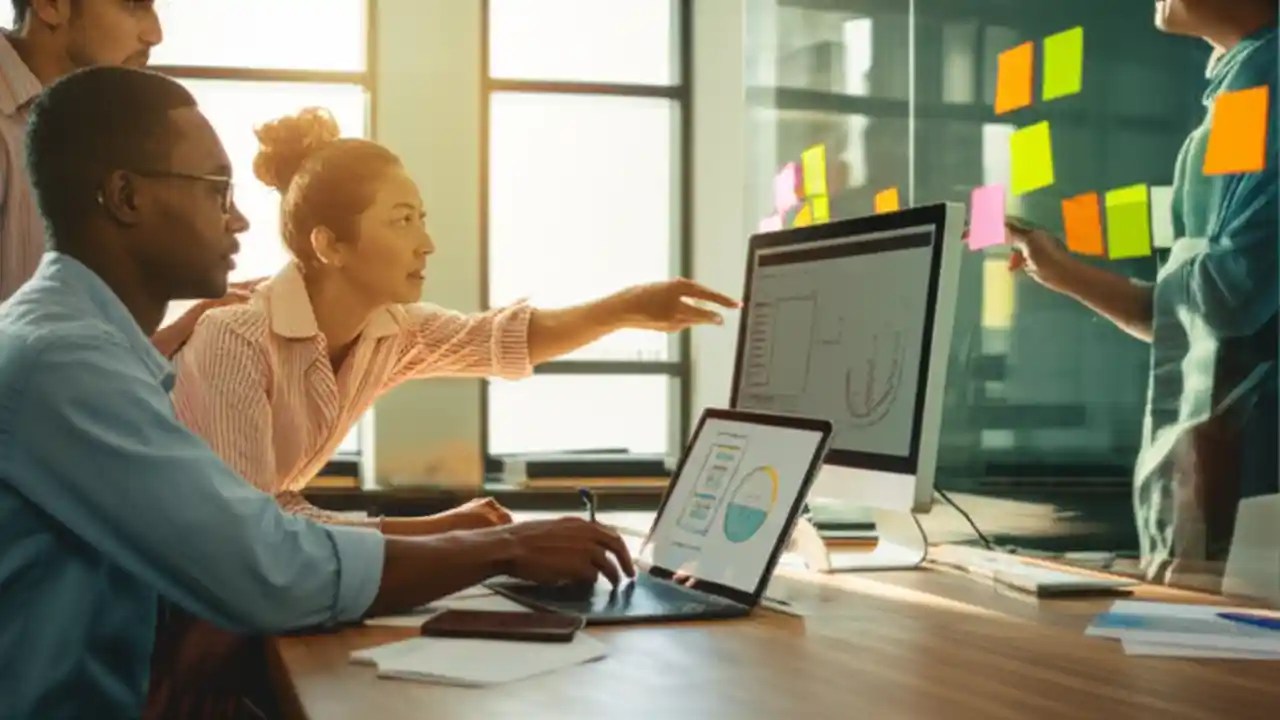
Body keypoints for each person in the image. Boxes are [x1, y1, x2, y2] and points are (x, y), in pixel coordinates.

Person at [0, 65, 634, 719]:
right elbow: (264, 563)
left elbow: (235, 546)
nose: (241, 220)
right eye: (217, 191)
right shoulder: (66, 361)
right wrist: (505, 547)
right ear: (126, 198)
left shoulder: (80, 343)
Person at [169, 107, 739, 531]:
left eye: (421, 219)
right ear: (330, 245)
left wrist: (627, 308)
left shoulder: (389, 331)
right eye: (401, 221)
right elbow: (250, 526)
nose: (427, 243)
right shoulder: (236, 337)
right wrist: (441, 531)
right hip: (157, 607)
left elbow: (498, 339)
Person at [1006, 0, 1277, 585]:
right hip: (1207, 530)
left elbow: (1226, 301)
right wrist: (1060, 270)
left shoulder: (1265, 85)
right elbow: (1198, 318)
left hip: (1244, 530)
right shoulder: (1243, 89)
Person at [1, 0, 246, 355]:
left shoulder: (95, 127)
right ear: (50, 5)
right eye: (133, 5)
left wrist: (162, 343)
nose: (155, 34)